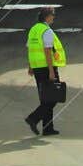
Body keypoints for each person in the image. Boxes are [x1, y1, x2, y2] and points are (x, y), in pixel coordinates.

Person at [23, 7, 66, 136]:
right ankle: (33, 118)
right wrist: (51, 71)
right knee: (54, 97)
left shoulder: (34, 29)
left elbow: (30, 48)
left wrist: (31, 66)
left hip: (37, 68)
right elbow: (47, 51)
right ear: (47, 16)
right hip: (47, 68)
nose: (54, 17)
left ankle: (48, 128)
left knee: (46, 98)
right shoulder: (47, 31)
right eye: (53, 15)